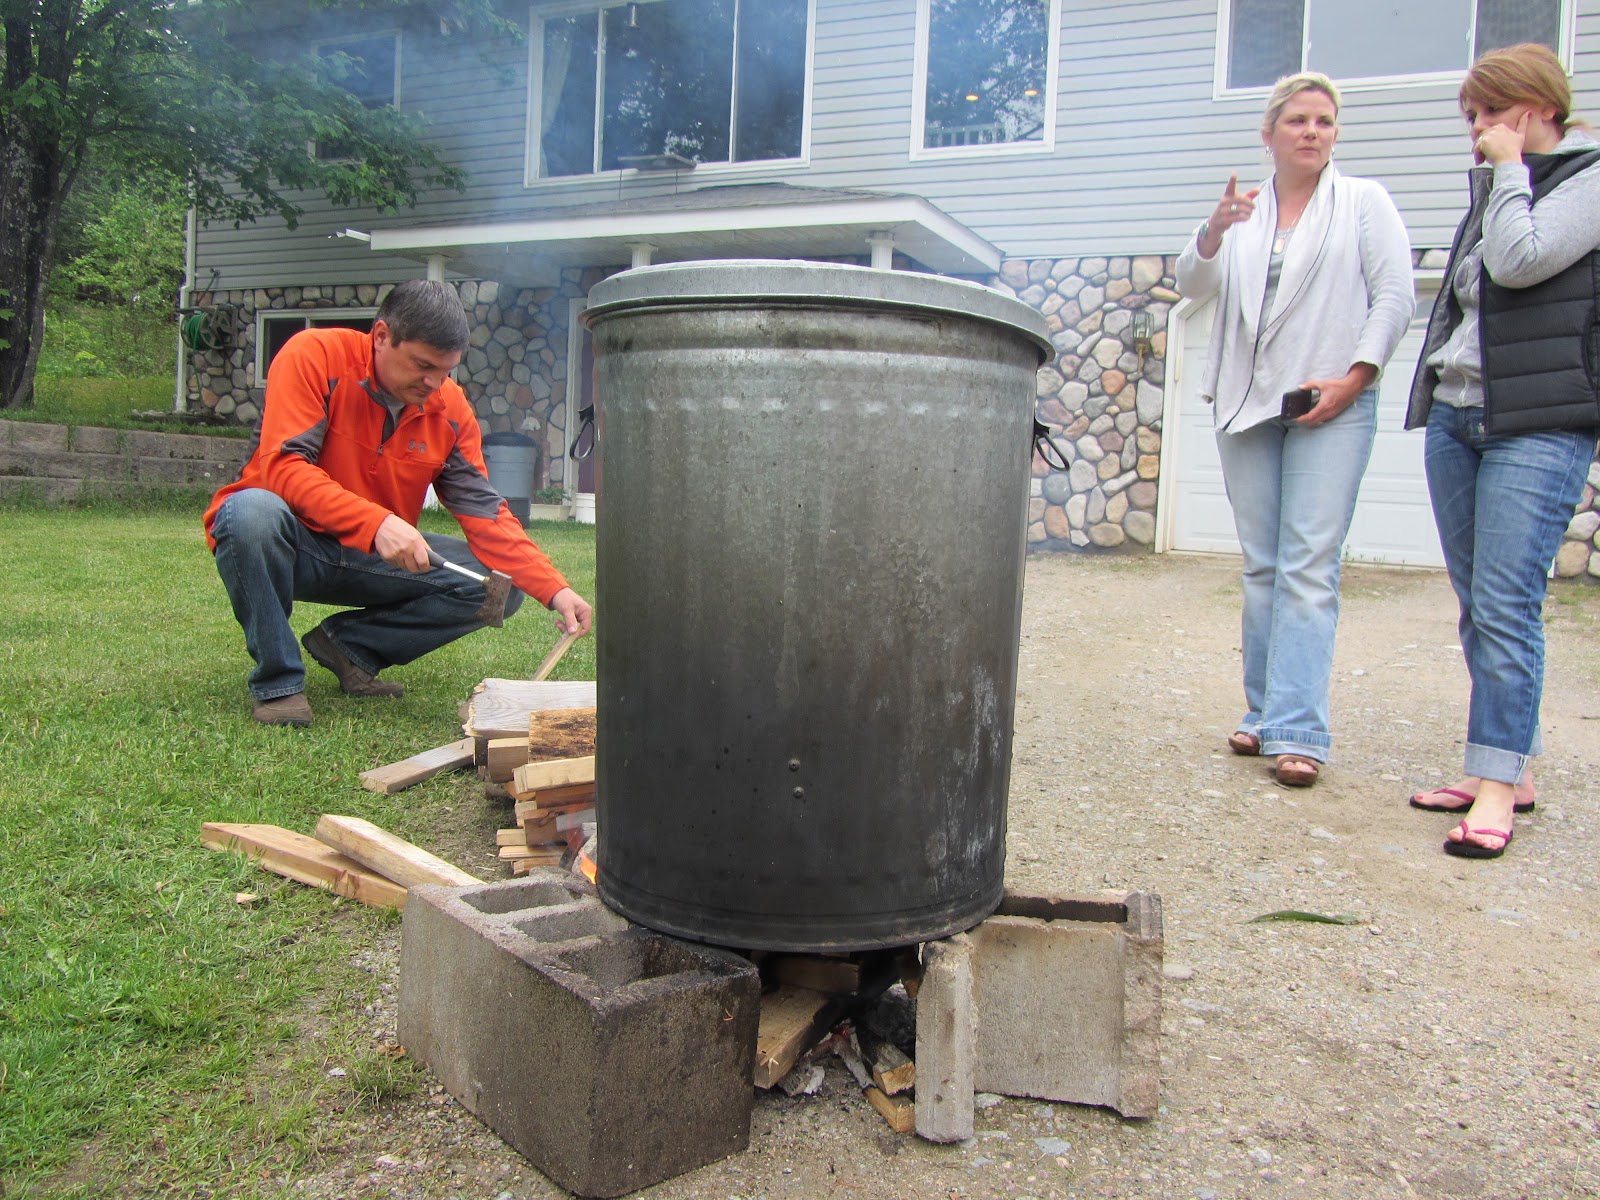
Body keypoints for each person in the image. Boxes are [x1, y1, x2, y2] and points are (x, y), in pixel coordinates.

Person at [203, 279, 593, 726]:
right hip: (292, 545)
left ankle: (350, 648)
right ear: (382, 336)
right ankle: (279, 684)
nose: (434, 383)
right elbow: (284, 467)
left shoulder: (448, 407)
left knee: (499, 586)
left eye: (446, 370)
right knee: (247, 513)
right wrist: (376, 522)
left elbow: (485, 513)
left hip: (372, 559)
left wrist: (554, 587)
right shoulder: (314, 356)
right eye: (423, 366)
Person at [1175, 72, 1415, 788]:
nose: (1314, 132)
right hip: (1249, 405)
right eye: (1300, 120)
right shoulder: (1243, 211)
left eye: (1326, 121)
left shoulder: (1364, 203)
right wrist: (1215, 229)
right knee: (1262, 566)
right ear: (1270, 133)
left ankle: (1300, 730)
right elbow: (1193, 285)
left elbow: (1397, 295)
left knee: (1309, 563)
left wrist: (1357, 376)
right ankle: (1262, 713)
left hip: (1329, 400)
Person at [1403, 43, 1600, 858]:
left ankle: (1496, 786)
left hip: (1539, 423)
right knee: (1478, 602)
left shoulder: (1587, 179)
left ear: (1536, 107)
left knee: (1507, 604)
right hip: (1459, 414)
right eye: (1472, 116)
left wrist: (1507, 170)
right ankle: (1506, 767)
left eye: (1489, 111)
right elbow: (1462, 303)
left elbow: (1520, 265)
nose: (1477, 128)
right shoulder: (1498, 184)